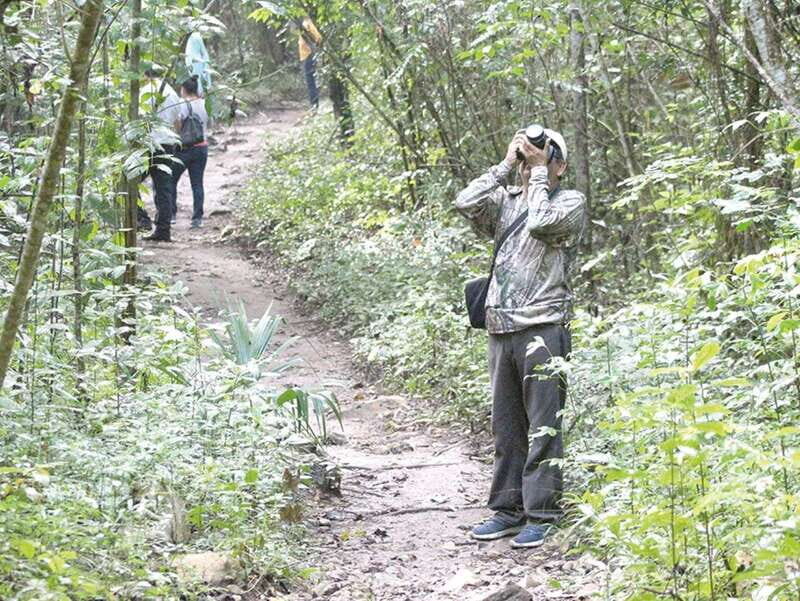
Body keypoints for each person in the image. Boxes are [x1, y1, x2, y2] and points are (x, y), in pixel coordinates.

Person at [454, 127, 587, 548]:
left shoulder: (568, 202)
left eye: (544, 156)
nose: (533, 162)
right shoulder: (506, 201)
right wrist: (507, 165)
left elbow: (541, 222)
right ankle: (507, 510)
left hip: (544, 327)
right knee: (507, 427)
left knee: (544, 425)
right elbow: (465, 201)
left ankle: (543, 514)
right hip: (500, 329)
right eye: (530, 154)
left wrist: (539, 176)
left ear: (559, 165)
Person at [141, 67, 182, 242]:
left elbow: (140, 119)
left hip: (148, 144)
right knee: (163, 187)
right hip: (167, 143)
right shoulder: (173, 94)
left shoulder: (145, 91)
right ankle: (163, 229)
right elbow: (178, 122)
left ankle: (141, 219)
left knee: (128, 182)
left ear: (146, 76)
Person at [171, 75, 209, 229]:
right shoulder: (205, 103)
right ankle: (197, 218)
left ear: (184, 89)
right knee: (197, 183)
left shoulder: (182, 104)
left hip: (184, 148)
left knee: (172, 180)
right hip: (202, 146)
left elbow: (178, 123)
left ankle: (172, 214)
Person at [297, 16, 322, 112]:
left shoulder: (307, 24)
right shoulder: (305, 23)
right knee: (310, 81)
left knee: (311, 81)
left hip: (309, 56)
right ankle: (314, 105)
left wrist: (312, 48)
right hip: (306, 56)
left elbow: (318, 38)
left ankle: (314, 106)